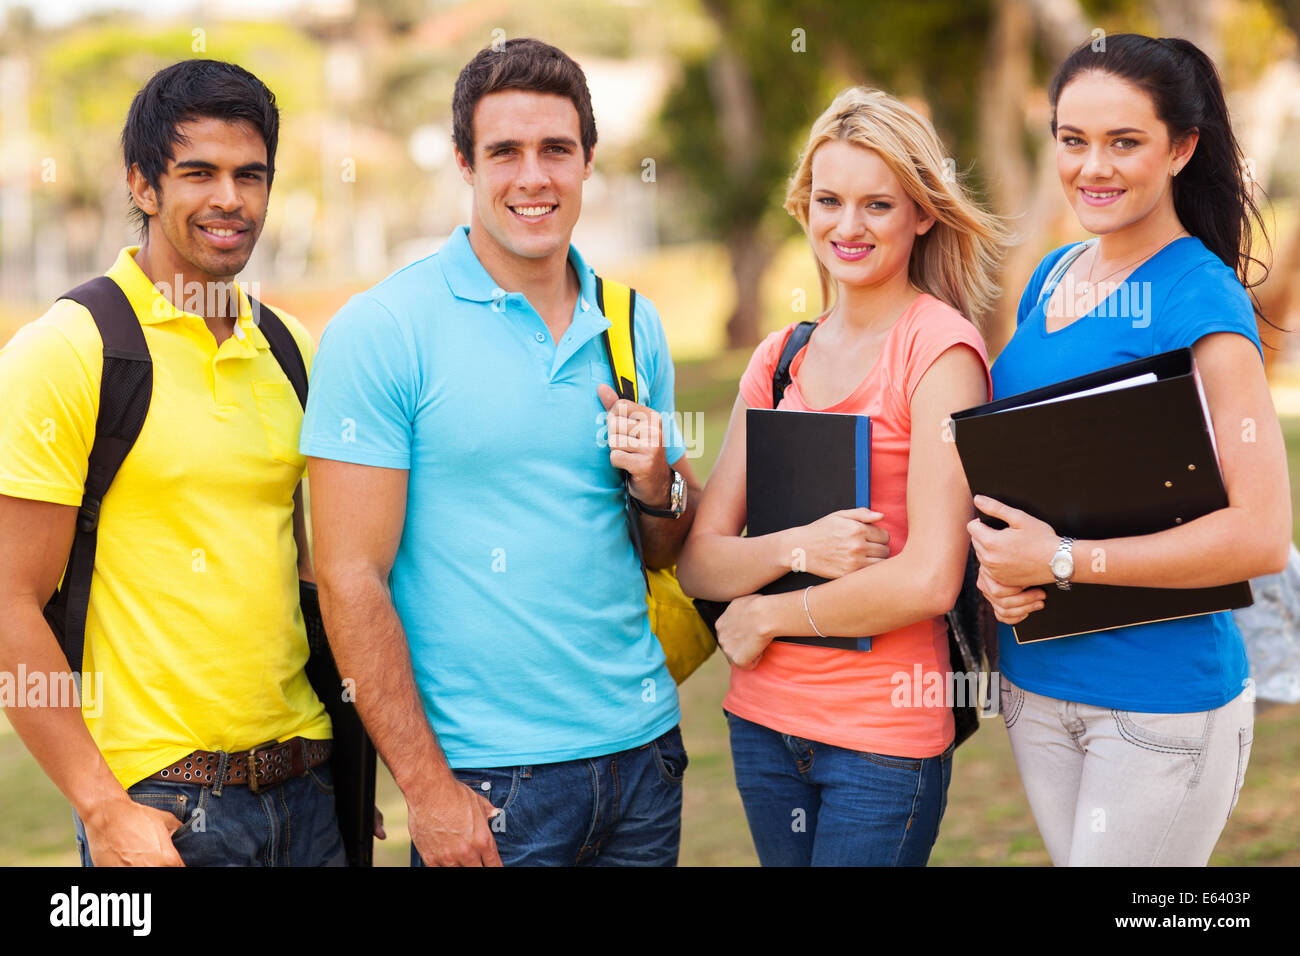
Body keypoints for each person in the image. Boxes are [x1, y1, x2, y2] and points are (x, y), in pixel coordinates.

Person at [300, 38, 700, 867]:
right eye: (504, 152)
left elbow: (662, 548)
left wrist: (658, 483)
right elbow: (348, 579)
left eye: (556, 149)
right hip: (488, 781)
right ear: (464, 163)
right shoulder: (383, 330)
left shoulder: (633, 324)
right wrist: (426, 788)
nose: (533, 177)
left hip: (644, 755)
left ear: (588, 160)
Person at [0, 60, 344, 866]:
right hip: (162, 810)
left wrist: (350, 772)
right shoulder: (69, 351)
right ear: (143, 186)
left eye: (249, 175)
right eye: (199, 173)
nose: (230, 198)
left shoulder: (292, 348)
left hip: (309, 789)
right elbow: (10, 602)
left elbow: (323, 573)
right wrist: (101, 806)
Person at [969, 34, 1291, 866]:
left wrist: (1064, 560)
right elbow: (1039, 472)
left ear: (1182, 148)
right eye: (1072, 140)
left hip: (1159, 707)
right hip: (1037, 689)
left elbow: (1258, 535)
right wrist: (1003, 569)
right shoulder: (1053, 275)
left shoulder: (1203, 301)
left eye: (1124, 142)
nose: (1092, 168)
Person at [675, 87, 1008, 866]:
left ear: (922, 212)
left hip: (882, 740)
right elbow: (700, 559)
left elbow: (929, 579)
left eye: (877, 205)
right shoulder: (779, 357)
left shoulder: (939, 353)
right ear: (804, 205)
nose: (847, 227)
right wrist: (799, 547)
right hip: (762, 726)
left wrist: (765, 617)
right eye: (829, 200)